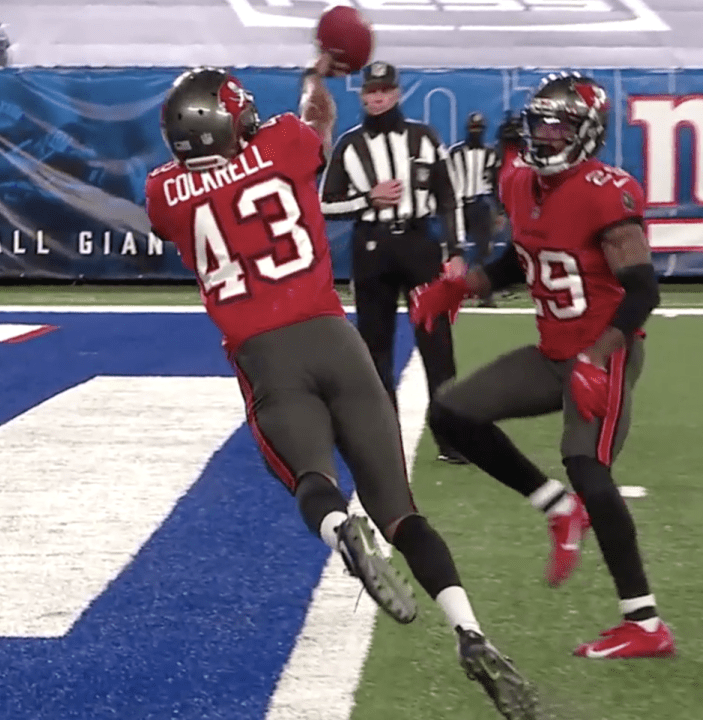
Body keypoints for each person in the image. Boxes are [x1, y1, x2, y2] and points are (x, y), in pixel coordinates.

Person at [144, 55, 539, 718]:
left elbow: (189, 195)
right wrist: (316, 77)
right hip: (335, 338)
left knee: (311, 481)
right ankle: (471, 633)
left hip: (266, 356)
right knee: (403, 512)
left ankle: (339, 532)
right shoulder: (286, 144)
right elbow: (314, 120)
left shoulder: (163, 192)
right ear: (227, 120)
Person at [409, 72, 676, 660]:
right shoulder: (520, 182)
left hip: (605, 349)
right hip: (555, 350)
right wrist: (462, 287)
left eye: (561, 125)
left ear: (588, 134)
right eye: (540, 123)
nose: (547, 135)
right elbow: (520, 259)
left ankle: (645, 622)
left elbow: (642, 291)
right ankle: (557, 510)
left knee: (587, 464)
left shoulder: (607, 191)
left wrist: (596, 356)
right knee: (451, 413)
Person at [319, 60, 468, 465]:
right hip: (373, 248)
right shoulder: (350, 145)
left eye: (384, 90)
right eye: (370, 91)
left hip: (420, 244)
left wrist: (455, 251)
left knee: (437, 344)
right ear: (363, 95)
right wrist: (368, 199)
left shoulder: (424, 137)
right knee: (375, 350)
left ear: (397, 92)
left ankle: (452, 439)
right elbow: (325, 205)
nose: (378, 97)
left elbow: (448, 196)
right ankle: (383, 441)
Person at [448, 111, 500, 307]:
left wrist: (499, 210)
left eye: (479, 129)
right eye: (473, 129)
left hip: (481, 203)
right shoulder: (455, 153)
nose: (476, 132)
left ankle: (484, 294)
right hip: (459, 204)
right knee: (455, 249)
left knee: (485, 250)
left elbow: (495, 183)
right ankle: (453, 293)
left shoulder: (490, 154)